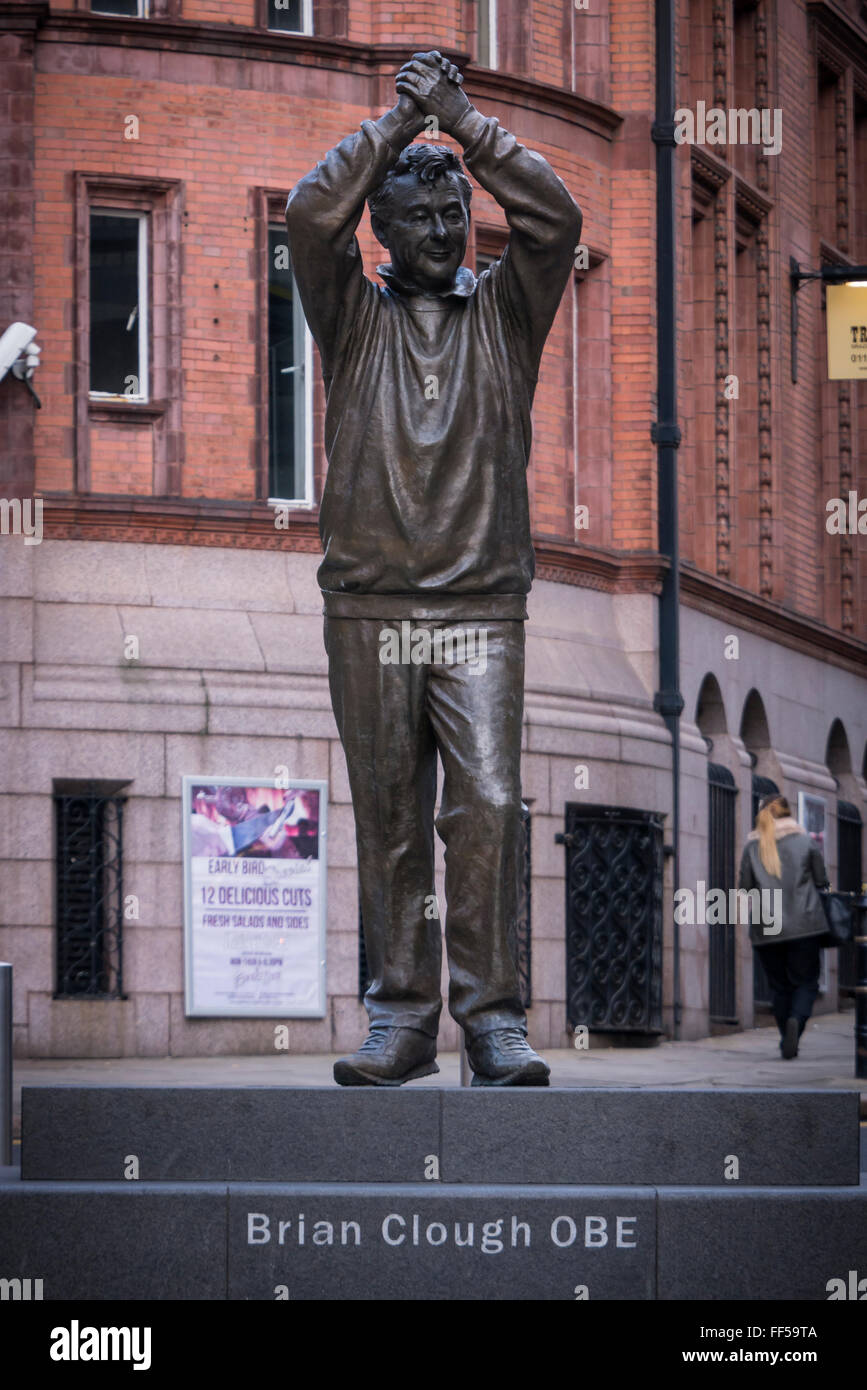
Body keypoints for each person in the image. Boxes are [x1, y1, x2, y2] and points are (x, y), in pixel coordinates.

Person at [285, 51, 582, 1085]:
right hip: (368, 604)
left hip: (480, 608)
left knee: (489, 804)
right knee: (391, 817)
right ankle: (403, 1018)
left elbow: (556, 219)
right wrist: (396, 124)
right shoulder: (350, 317)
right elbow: (308, 214)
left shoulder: (507, 315)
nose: (442, 232)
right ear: (385, 229)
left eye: (453, 216)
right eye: (417, 219)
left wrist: (465, 123)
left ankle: (491, 1017)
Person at [738, 793, 829, 1059]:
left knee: (779, 988)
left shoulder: (752, 846)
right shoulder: (804, 841)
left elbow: (744, 886)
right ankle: (795, 1024)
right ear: (789, 813)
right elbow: (822, 879)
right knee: (806, 983)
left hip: (767, 926)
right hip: (804, 925)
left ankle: (785, 1036)